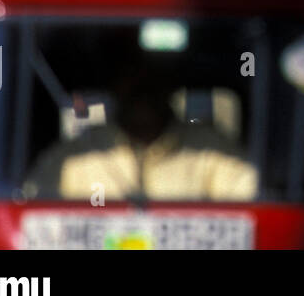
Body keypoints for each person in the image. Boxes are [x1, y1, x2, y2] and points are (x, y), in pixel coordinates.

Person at [25, 58, 257, 202]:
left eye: (152, 82)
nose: (143, 93)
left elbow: (251, 207)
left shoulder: (213, 152)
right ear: (116, 88)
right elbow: (30, 216)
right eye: (133, 83)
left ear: (169, 87)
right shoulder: (73, 158)